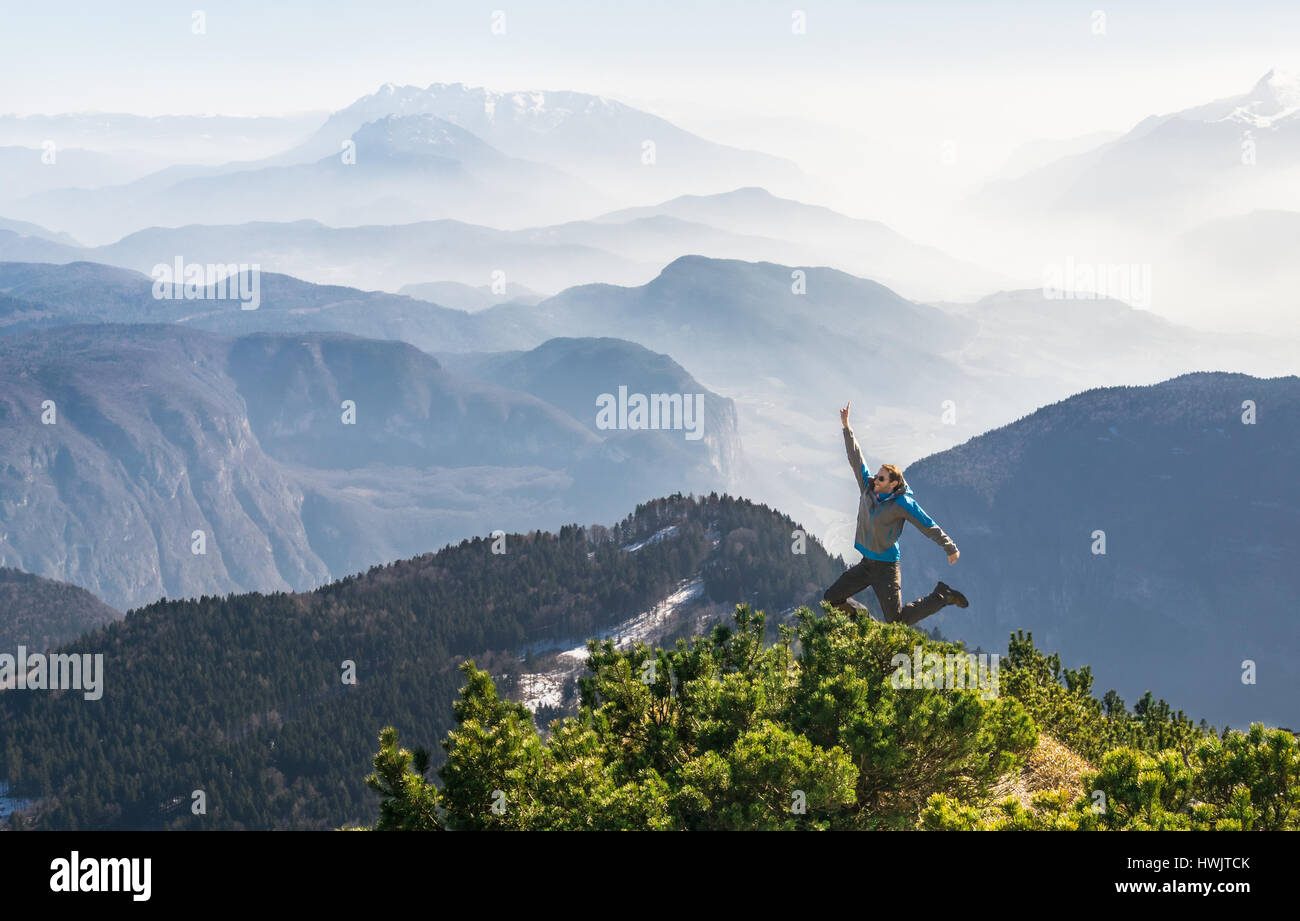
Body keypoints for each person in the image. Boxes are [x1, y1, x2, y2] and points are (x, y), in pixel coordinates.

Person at [823, 401, 969, 624]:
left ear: (893, 484)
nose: (875, 479)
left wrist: (949, 547)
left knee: (896, 621)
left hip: (887, 567)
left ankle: (942, 596)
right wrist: (846, 427)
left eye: (881, 478)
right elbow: (856, 459)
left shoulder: (902, 503)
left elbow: (926, 523)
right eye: (877, 476)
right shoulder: (868, 489)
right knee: (832, 598)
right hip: (866, 564)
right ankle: (864, 622)